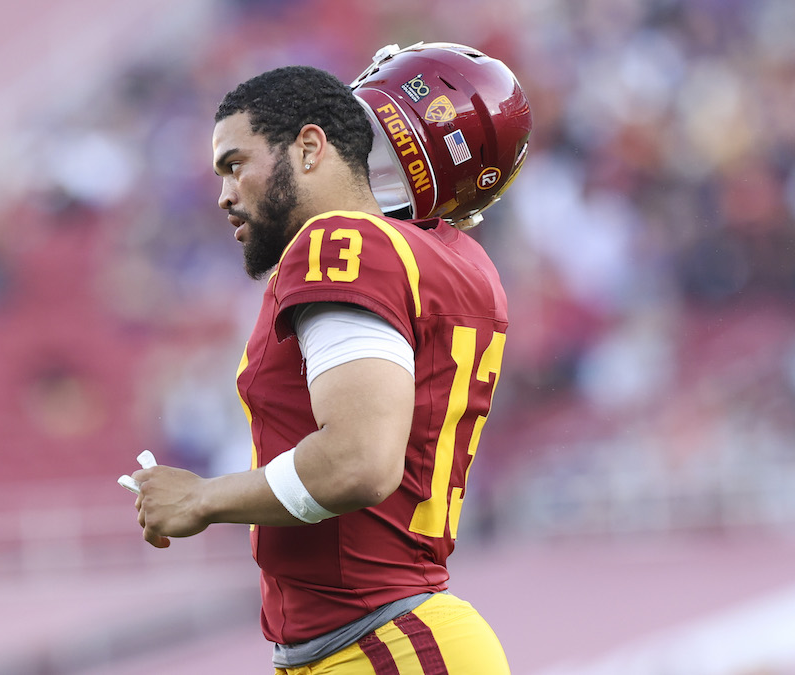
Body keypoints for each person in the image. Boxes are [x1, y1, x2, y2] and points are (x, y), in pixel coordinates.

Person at [130, 43, 532, 674]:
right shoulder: (454, 257)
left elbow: (358, 464)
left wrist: (203, 498)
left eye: (236, 165)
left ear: (311, 148)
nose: (225, 194)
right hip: (379, 639)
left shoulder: (339, 241)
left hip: (383, 644)